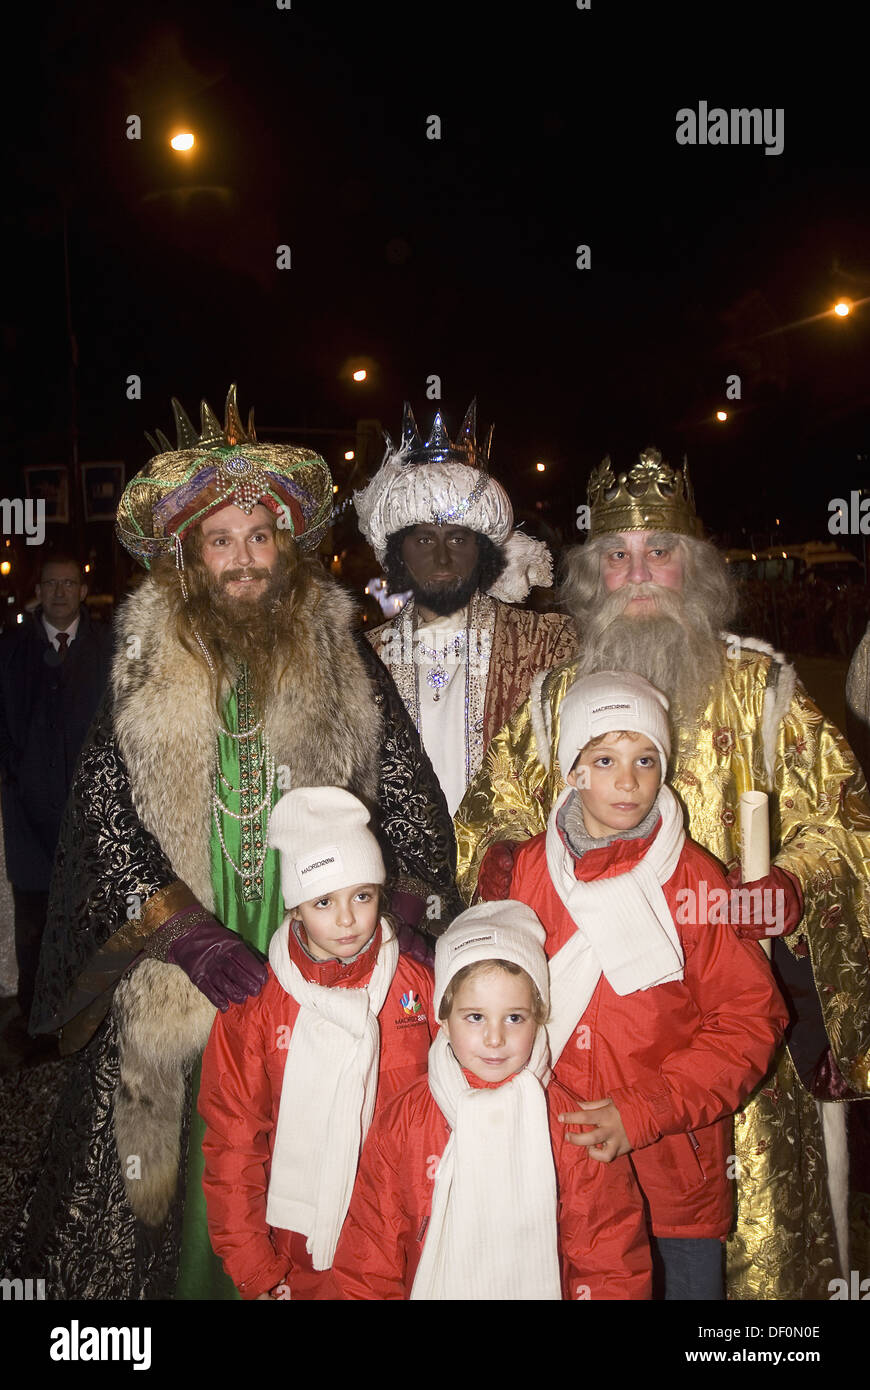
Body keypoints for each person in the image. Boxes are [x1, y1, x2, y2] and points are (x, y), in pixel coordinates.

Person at [1, 387, 459, 1300]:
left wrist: (398, 915)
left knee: (317, 1143)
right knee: (172, 1168)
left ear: (284, 547)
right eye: (222, 539)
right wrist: (181, 930)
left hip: (321, 942)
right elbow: (103, 809)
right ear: (189, 554)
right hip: (185, 950)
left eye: (260, 537)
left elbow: (405, 790)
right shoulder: (142, 651)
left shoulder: (339, 646)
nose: (244, 559)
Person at [455, 446, 870, 1299]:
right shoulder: (547, 702)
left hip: (731, 1052)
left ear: (697, 566)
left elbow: (846, 823)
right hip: (586, 1046)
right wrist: (503, 861)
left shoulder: (768, 689)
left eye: (660, 550)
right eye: (616, 554)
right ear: (590, 574)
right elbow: (487, 825)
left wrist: (790, 884)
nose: (637, 571)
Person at [480, 669, 787, 1299]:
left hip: (671, 1176)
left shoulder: (695, 881)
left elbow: (751, 1022)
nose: (627, 780)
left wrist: (643, 1112)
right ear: (571, 770)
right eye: (604, 759)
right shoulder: (531, 873)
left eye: (645, 759)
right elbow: (494, 1006)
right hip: (558, 1168)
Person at [331, 900, 652, 1300]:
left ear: (538, 1018)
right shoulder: (405, 1120)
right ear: (443, 1020)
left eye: (514, 1017)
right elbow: (369, 1251)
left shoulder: (571, 1126)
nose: (495, 1038)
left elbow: (610, 1255)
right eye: (475, 1017)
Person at [198, 787, 434, 1299]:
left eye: (363, 896)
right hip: (305, 1251)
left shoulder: (419, 985)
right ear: (297, 907)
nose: (347, 919)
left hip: (409, 1237)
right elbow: (234, 1141)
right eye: (324, 901)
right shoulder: (256, 1006)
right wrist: (253, 1265)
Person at [355, 401, 576, 815]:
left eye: (458, 540)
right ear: (399, 553)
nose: (442, 561)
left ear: (484, 552)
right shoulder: (363, 659)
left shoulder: (546, 646)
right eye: (423, 541)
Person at [0, 552, 111, 1050]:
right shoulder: (10, 651)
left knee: (93, 926)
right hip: (27, 821)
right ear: (39, 591)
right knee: (36, 929)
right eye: (51, 584)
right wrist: (17, 781)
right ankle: (36, 1026)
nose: (61, 592)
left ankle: (91, 1026)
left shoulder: (109, 649)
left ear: (83, 591)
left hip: (92, 821)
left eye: (69, 584)